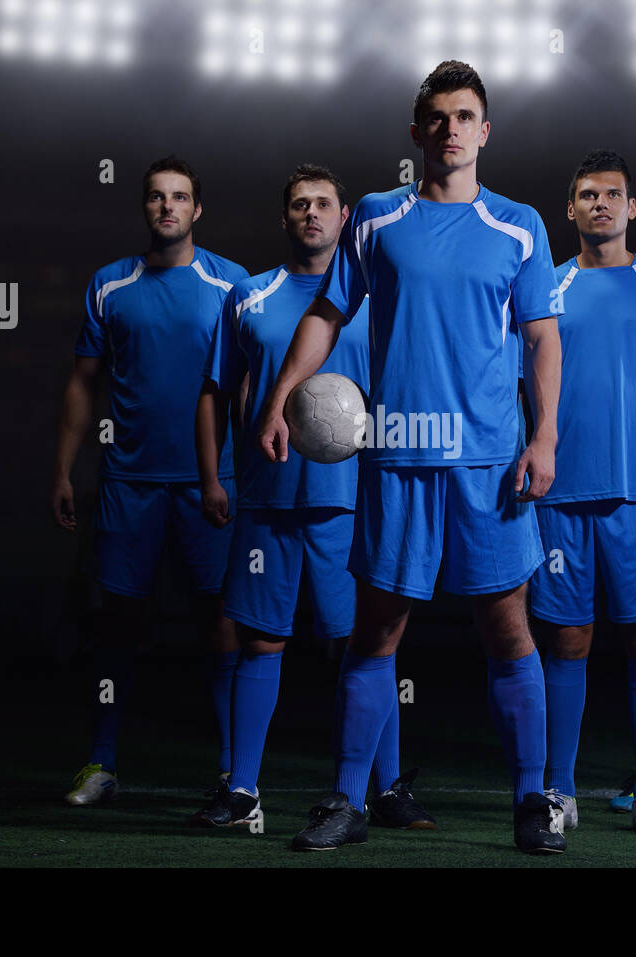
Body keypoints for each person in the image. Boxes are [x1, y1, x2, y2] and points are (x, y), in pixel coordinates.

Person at [256, 61, 567, 854]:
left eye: (465, 116)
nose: (451, 129)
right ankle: (347, 799)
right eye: (437, 116)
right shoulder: (373, 217)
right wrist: (279, 397)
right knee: (375, 634)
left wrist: (545, 435)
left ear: (485, 130)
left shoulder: (520, 224)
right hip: (396, 456)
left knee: (508, 630)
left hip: (489, 461)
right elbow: (328, 311)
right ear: (416, 131)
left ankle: (533, 800)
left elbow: (541, 337)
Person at [192, 164, 433, 831]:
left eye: (323, 204)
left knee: (368, 644)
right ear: (284, 218)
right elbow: (214, 392)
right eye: (298, 204)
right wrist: (214, 477)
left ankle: (382, 790)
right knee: (261, 641)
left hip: (354, 502)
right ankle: (242, 793)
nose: (311, 214)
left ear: (346, 214)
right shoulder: (248, 295)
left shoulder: (376, 296)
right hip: (268, 501)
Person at [51, 155, 246, 805]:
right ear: (145, 208)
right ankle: (101, 763)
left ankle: (230, 767)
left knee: (220, 621)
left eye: (180, 197)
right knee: (117, 624)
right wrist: (63, 469)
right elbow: (83, 383)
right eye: (157, 197)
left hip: (210, 483)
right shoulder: (110, 284)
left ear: (197, 210)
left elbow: (251, 383)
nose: (168, 206)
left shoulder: (232, 285)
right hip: (128, 482)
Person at [530, 149, 636, 836]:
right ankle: (560, 788)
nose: (599, 203)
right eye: (585, 194)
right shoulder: (543, 287)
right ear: (569, 210)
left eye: (612, 194)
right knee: (567, 639)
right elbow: (520, 383)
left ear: (632, 208)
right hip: (560, 491)